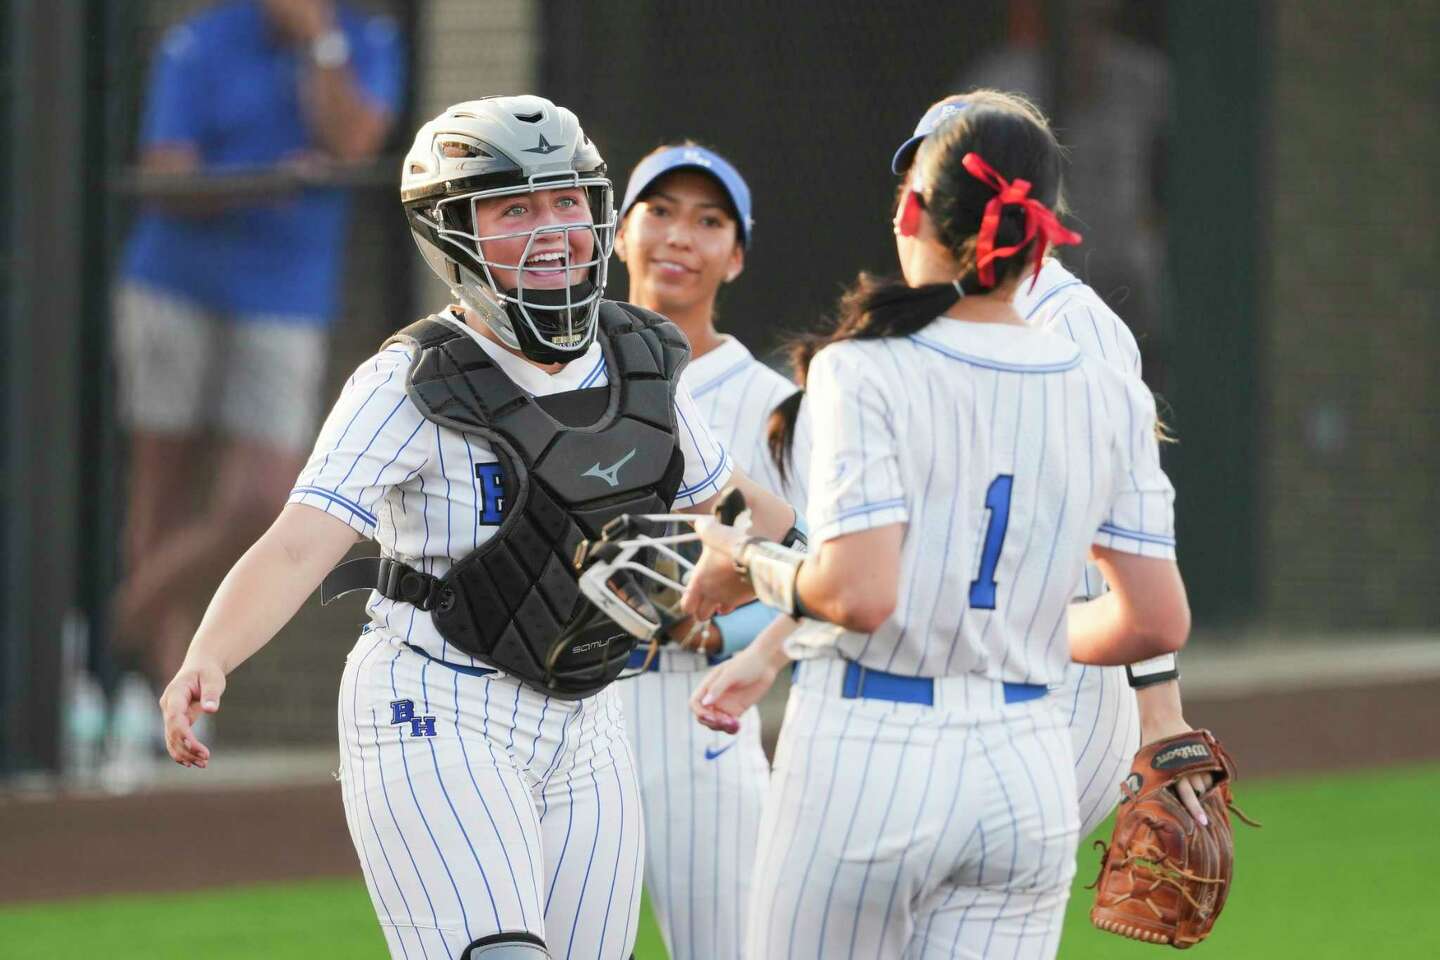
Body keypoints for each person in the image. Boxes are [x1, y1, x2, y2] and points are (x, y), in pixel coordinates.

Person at [158, 96, 798, 960]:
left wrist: (749, 556)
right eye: (514, 208)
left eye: (567, 200)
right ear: (451, 233)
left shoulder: (639, 356)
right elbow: (300, 541)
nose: (552, 228)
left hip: (588, 720)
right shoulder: (409, 379)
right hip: (436, 701)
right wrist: (210, 651)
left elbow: (749, 514)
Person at [680, 97, 1191, 958]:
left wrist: (751, 563)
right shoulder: (1107, 389)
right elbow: (1154, 617)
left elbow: (860, 592)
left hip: (875, 743)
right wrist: (1017, 626)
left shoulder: (865, 366)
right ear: (1042, 226)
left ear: (916, 210)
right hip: (1024, 752)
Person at [889, 92, 1206, 842]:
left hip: (1058, 687)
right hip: (982, 675)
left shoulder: (1066, 319)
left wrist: (1160, 712)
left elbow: (1126, 535)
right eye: (923, 184)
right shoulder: (927, 331)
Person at [109, 0, 404, 732]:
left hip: (287, 298)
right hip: (175, 285)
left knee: (261, 497)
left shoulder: (364, 40)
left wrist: (318, 46)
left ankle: (110, 630)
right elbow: (167, 172)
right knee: (162, 494)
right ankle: (166, 700)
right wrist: (268, 181)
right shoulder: (201, 39)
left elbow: (354, 140)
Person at [611, 142, 805, 960]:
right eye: (659, 211)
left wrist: (707, 629)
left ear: (737, 256)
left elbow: (823, 574)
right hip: (563, 707)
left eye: (708, 220)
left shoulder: (772, 404)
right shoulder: (556, 374)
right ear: (620, 233)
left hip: (698, 713)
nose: (679, 237)